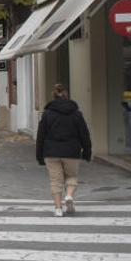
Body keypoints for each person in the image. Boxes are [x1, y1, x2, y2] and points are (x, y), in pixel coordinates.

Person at [36, 84, 91, 217]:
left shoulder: (47, 114)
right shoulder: (76, 114)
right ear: (67, 96)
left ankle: (58, 208)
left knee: (56, 181)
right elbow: (84, 134)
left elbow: (41, 136)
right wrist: (87, 152)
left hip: (51, 152)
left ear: (53, 97)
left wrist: (39, 155)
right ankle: (69, 195)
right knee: (71, 176)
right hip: (71, 151)